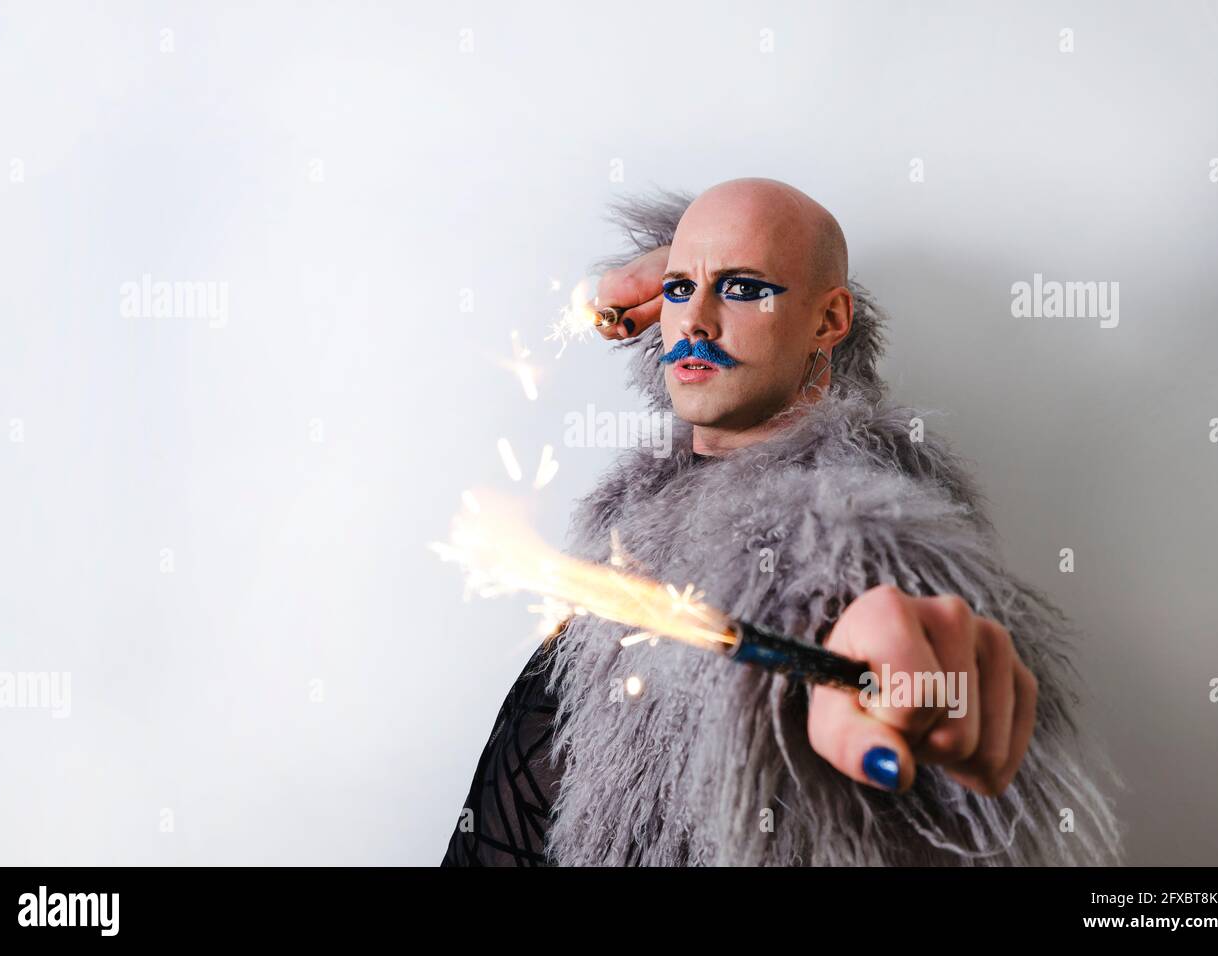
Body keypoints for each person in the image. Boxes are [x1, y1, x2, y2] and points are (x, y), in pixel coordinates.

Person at [444, 178, 1122, 866]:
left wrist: (893, 675)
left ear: (830, 322)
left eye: (742, 289)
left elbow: (881, 630)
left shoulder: (842, 538)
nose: (695, 324)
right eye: (678, 291)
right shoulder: (651, 502)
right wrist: (705, 269)